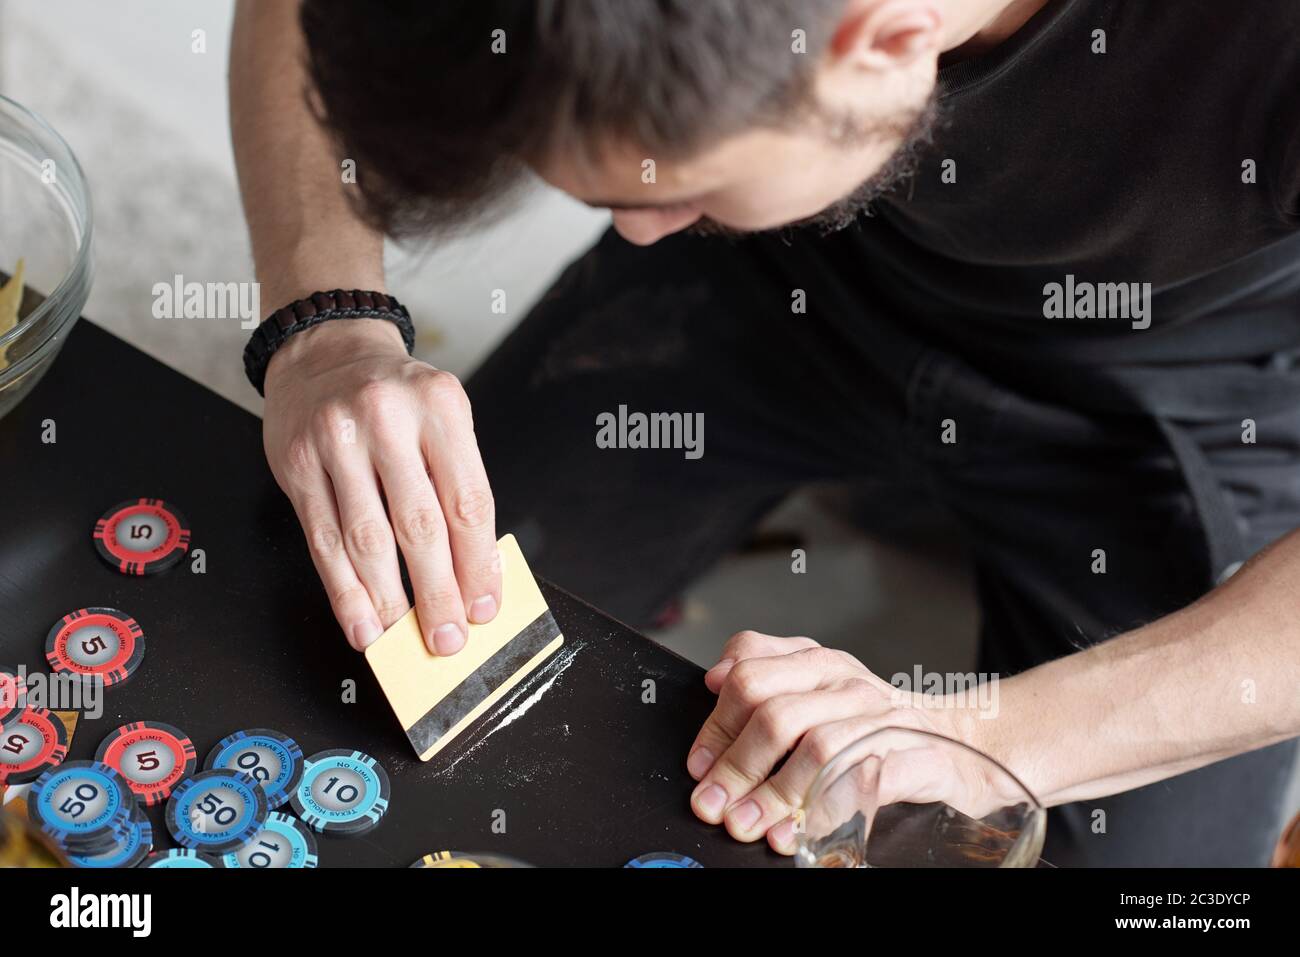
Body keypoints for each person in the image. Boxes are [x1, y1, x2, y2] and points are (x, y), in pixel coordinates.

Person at [230, 0, 1300, 866]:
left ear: (889, 41)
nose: (632, 227)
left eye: (673, 190)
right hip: (785, 280)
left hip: (1185, 396)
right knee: (368, 639)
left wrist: (987, 739)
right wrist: (327, 330)